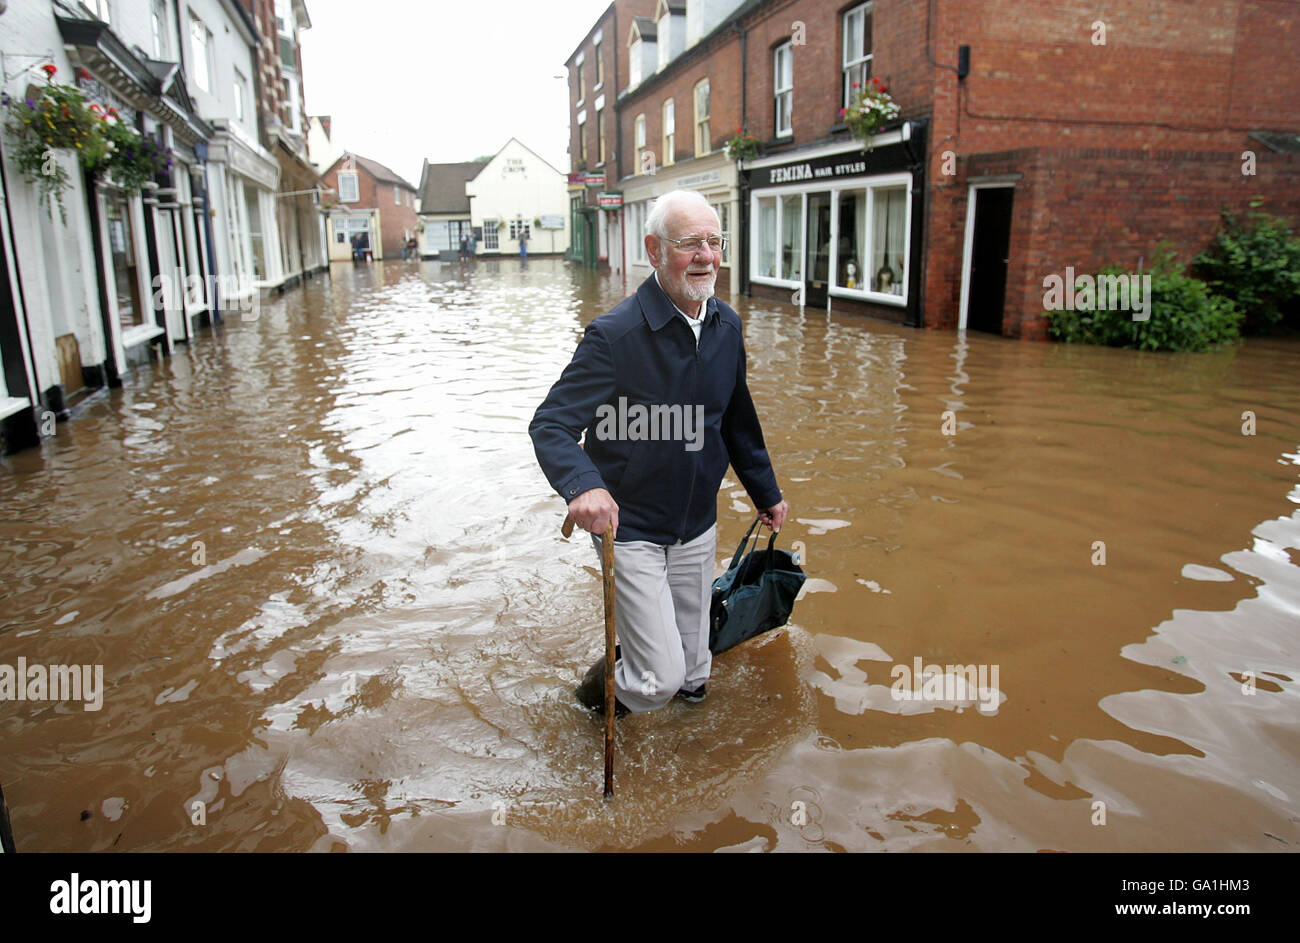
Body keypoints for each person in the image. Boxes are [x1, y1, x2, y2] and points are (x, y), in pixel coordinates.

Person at [529, 189, 788, 716]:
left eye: (714, 242)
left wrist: (766, 492)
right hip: (632, 529)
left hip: (696, 524)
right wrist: (584, 486)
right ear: (653, 249)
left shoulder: (726, 326)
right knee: (657, 680)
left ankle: (686, 744)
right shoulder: (614, 336)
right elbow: (551, 424)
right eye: (690, 243)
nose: (706, 256)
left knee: (695, 671)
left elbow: (737, 418)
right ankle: (588, 706)